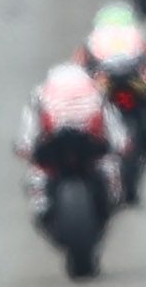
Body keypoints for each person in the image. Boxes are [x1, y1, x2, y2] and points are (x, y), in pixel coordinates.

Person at [14, 63, 126, 227]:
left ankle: (41, 204)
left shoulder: (40, 93)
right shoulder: (97, 92)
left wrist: (24, 146)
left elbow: (29, 127)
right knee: (108, 166)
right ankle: (42, 204)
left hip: (61, 149)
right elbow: (113, 124)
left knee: (37, 174)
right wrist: (120, 143)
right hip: (84, 148)